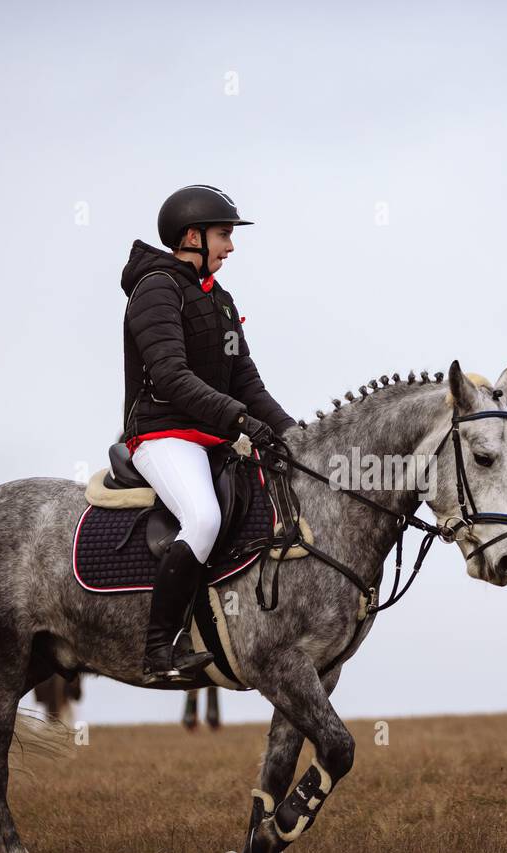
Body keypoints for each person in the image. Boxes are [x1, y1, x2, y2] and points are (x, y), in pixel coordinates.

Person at [120, 184, 297, 679]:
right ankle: (160, 649)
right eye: (224, 235)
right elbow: (173, 378)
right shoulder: (156, 288)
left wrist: (291, 433)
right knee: (202, 518)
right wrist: (240, 421)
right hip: (163, 435)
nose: (231, 246)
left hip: (212, 436)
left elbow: (247, 383)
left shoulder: (219, 300)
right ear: (192, 235)